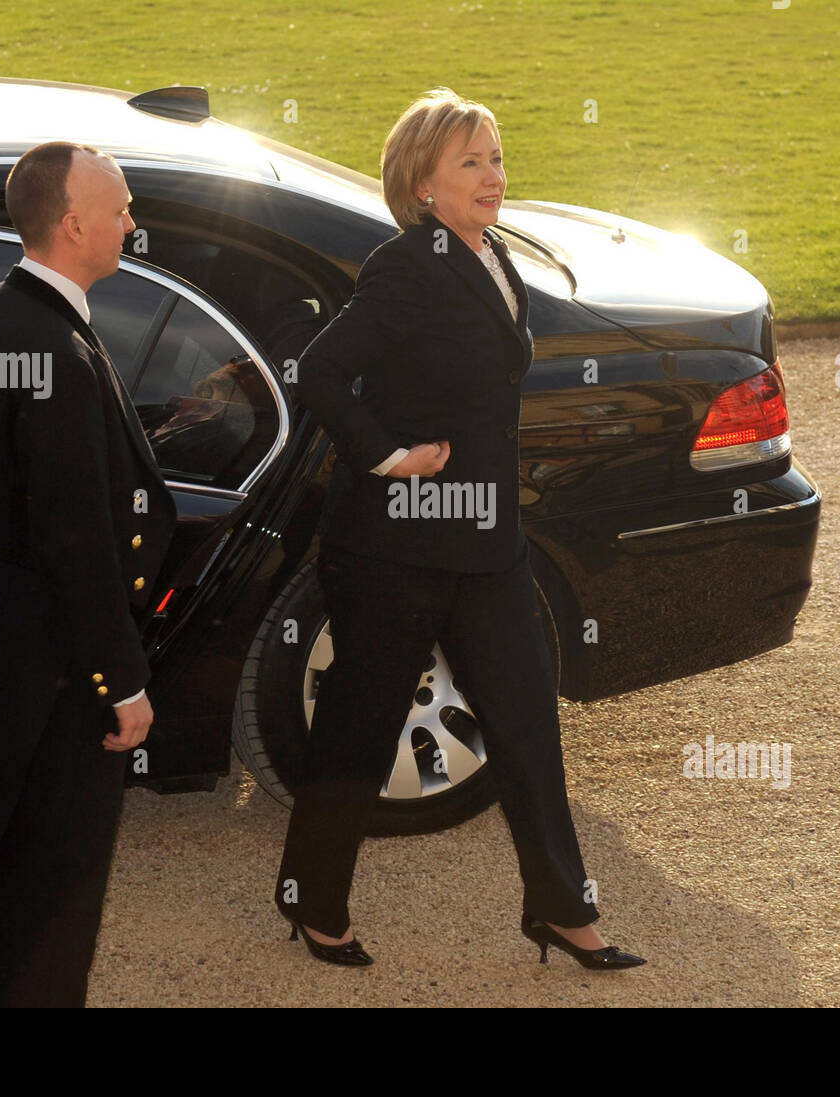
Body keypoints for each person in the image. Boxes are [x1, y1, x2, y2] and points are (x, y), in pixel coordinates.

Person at [273, 89, 644, 970]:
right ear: (423, 183)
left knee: (527, 722)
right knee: (360, 731)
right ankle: (313, 900)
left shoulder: (491, 257)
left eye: (498, 157)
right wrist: (387, 456)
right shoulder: (407, 266)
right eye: (472, 162)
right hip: (394, 549)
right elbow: (321, 371)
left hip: (486, 546)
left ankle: (563, 909)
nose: (494, 176)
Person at [0, 142, 176, 1006]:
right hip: (57, 674)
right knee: (55, 898)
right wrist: (123, 681)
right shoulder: (58, 353)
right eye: (121, 209)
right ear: (73, 225)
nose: (132, 223)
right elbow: (78, 543)